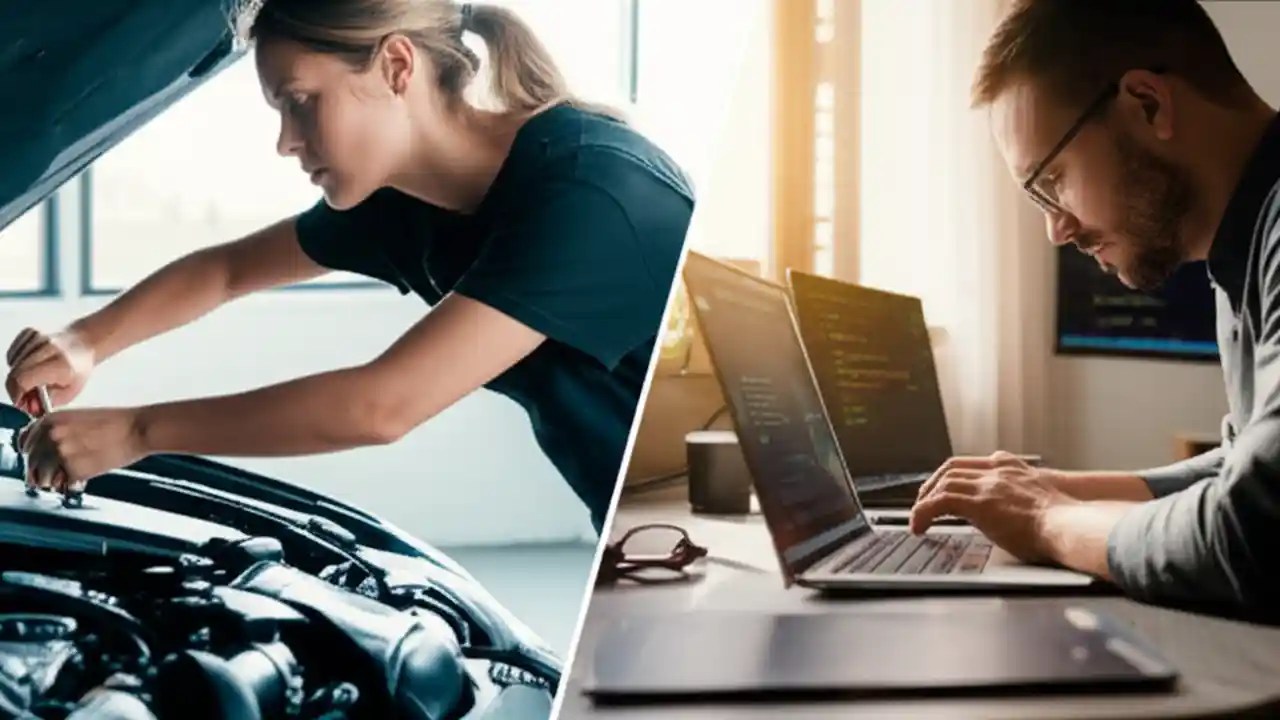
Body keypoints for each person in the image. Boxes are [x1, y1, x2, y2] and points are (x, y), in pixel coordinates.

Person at [3, 0, 693, 536]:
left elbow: (383, 405)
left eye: (300, 103)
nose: (285, 142)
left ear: (397, 66)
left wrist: (134, 432)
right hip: (644, 522)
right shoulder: (410, 200)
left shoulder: (592, 192)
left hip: (714, 513)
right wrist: (87, 340)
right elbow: (228, 270)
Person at [909, 0, 1280, 610]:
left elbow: (1259, 533)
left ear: (1147, 104)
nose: (1057, 230)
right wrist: (1052, 490)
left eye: (1051, 182)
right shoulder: (1241, 247)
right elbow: (1244, 467)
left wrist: (1049, 521)